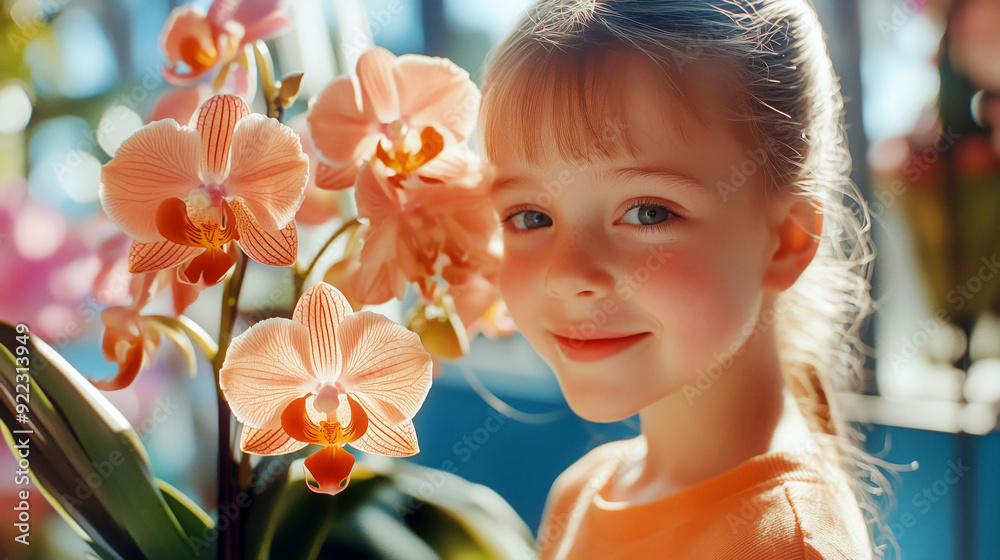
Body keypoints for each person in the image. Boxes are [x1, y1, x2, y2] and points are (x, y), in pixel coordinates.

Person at [476, 1, 893, 558]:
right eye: (530, 216)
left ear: (787, 240)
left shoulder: (787, 544)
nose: (568, 275)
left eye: (649, 212)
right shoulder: (580, 492)